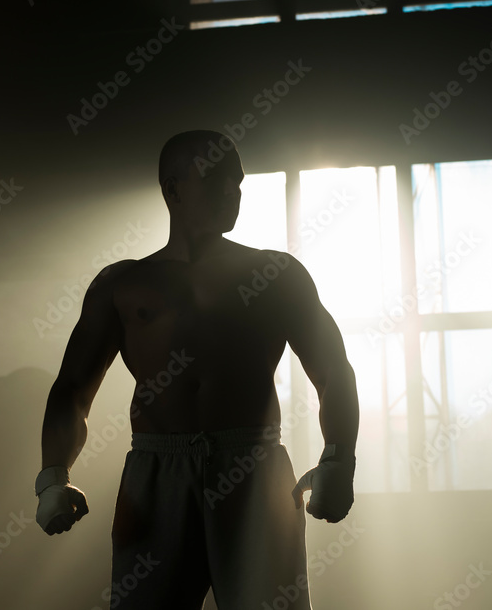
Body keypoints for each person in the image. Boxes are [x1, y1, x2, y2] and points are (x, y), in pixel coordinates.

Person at [36, 130, 359, 609]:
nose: (233, 191)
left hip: (253, 468)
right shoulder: (123, 284)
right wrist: (52, 477)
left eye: (238, 182)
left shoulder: (276, 275)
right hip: (155, 473)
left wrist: (339, 458)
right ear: (172, 190)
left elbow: (334, 369)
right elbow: (72, 389)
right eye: (217, 179)